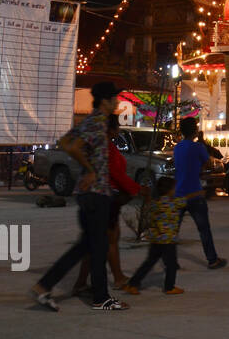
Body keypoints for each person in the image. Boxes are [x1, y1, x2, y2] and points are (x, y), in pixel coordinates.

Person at [31, 81, 128, 311]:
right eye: (114, 97)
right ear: (105, 100)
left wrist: (86, 165)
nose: (117, 101)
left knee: (87, 246)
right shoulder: (97, 122)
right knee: (98, 245)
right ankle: (100, 297)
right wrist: (91, 169)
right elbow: (73, 147)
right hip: (96, 193)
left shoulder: (90, 121)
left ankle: (44, 286)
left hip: (88, 194)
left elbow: (65, 142)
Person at [72, 114, 139, 294]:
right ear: (111, 129)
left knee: (96, 242)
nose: (118, 131)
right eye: (117, 128)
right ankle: (115, 279)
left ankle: (81, 282)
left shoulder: (105, 146)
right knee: (108, 239)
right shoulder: (105, 147)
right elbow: (115, 173)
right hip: (103, 197)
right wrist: (136, 189)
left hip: (102, 196)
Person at [172, 116, 228, 269]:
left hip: (179, 192)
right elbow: (208, 163)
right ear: (195, 131)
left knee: (172, 231)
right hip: (195, 193)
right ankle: (212, 259)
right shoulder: (198, 148)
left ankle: (171, 261)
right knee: (204, 229)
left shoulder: (177, 147)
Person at [122, 176, 185, 295]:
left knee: (149, 262)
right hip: (168, 240)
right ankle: (169, 287)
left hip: (155, 239)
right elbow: (185, 200)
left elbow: (148, 211)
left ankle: (132, 284)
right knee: (171, 264)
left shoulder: (155, 204)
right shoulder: (174, 203)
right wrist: (196, 193)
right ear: (170, 190)